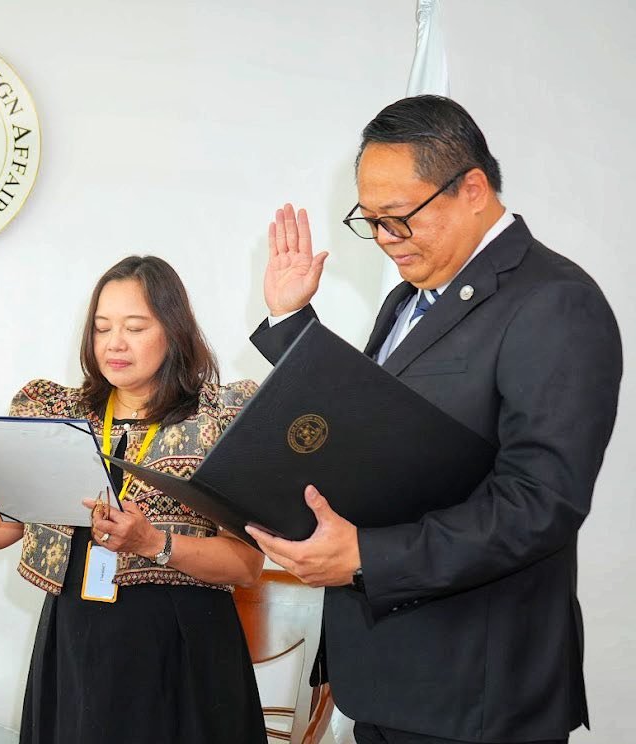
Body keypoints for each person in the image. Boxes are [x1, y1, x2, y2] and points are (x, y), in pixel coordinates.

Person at [247, 96, 622, 743]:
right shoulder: (409, 299)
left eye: (400, 220)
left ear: (472, 189)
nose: (388, 242)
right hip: (391, 679)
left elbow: (540, 504)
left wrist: (367, 556)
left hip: (477, 691)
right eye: (372, 223)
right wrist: (290, 323)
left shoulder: (556, 302)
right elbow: (371, 425)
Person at [0, 256, 267, 744]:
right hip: (76, 642)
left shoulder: (221, 418)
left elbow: (246, 566)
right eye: (102, 327)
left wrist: (154, 542)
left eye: (135, 327)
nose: (114, 343)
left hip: (181, 648)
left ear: (174, 332)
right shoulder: (54, 413)